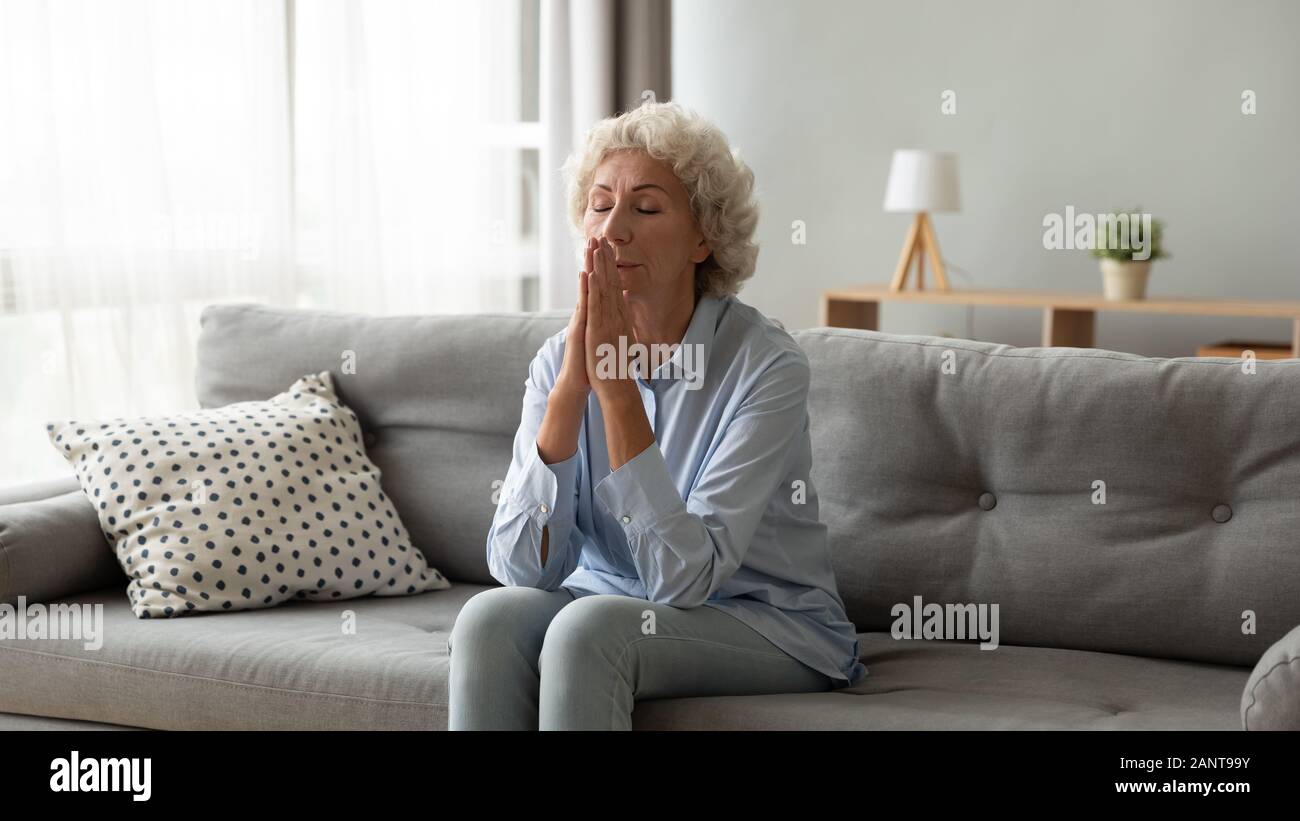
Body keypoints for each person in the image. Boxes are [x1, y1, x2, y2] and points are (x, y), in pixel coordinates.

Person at [448, 100, 866, 731]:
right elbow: (521, 571)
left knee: (589, 630)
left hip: (764, 621)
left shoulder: (767, 367)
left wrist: (615, 395)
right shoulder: (556, 361)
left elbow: (682, 580)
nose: (613, 229)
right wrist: (569, 393)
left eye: (645, 208)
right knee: (488, 617)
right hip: (610, 600)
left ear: (704, 238)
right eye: (599, 204)